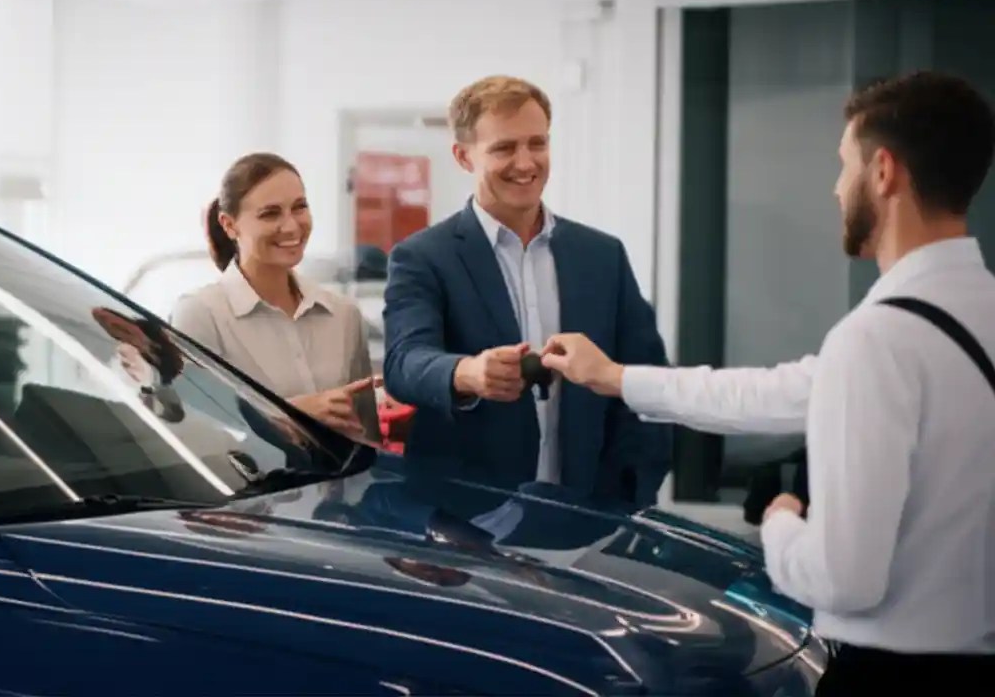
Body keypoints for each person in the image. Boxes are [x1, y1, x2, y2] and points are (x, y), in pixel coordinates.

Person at [538, 71, 995, 693]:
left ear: (883, 172)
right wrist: (617, 377)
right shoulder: (973, 312)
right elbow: (777, 392)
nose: (837, 189)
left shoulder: (879, 339)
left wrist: (780, 521)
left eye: (844, 165)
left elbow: (841, 581)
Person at [380, 74, 672, 505]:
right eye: (504, 148)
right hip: (466, 520)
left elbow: (645, 377)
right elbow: (404, 364)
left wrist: (629, 492)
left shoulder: (601, 256)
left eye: (537, 143)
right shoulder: (422, 257)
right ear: (463, 157)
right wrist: (467, 373)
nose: (526, 162)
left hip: (588, 514)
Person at [166, 152, 381, 443]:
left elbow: (366, 438)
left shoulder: (343, 315)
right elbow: (194, 434)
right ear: (229, 225)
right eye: (270, 214)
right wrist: (285, 414)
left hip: (341, 487)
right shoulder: (200, 314)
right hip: (257, 487)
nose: (292, 226)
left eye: (299, 207)